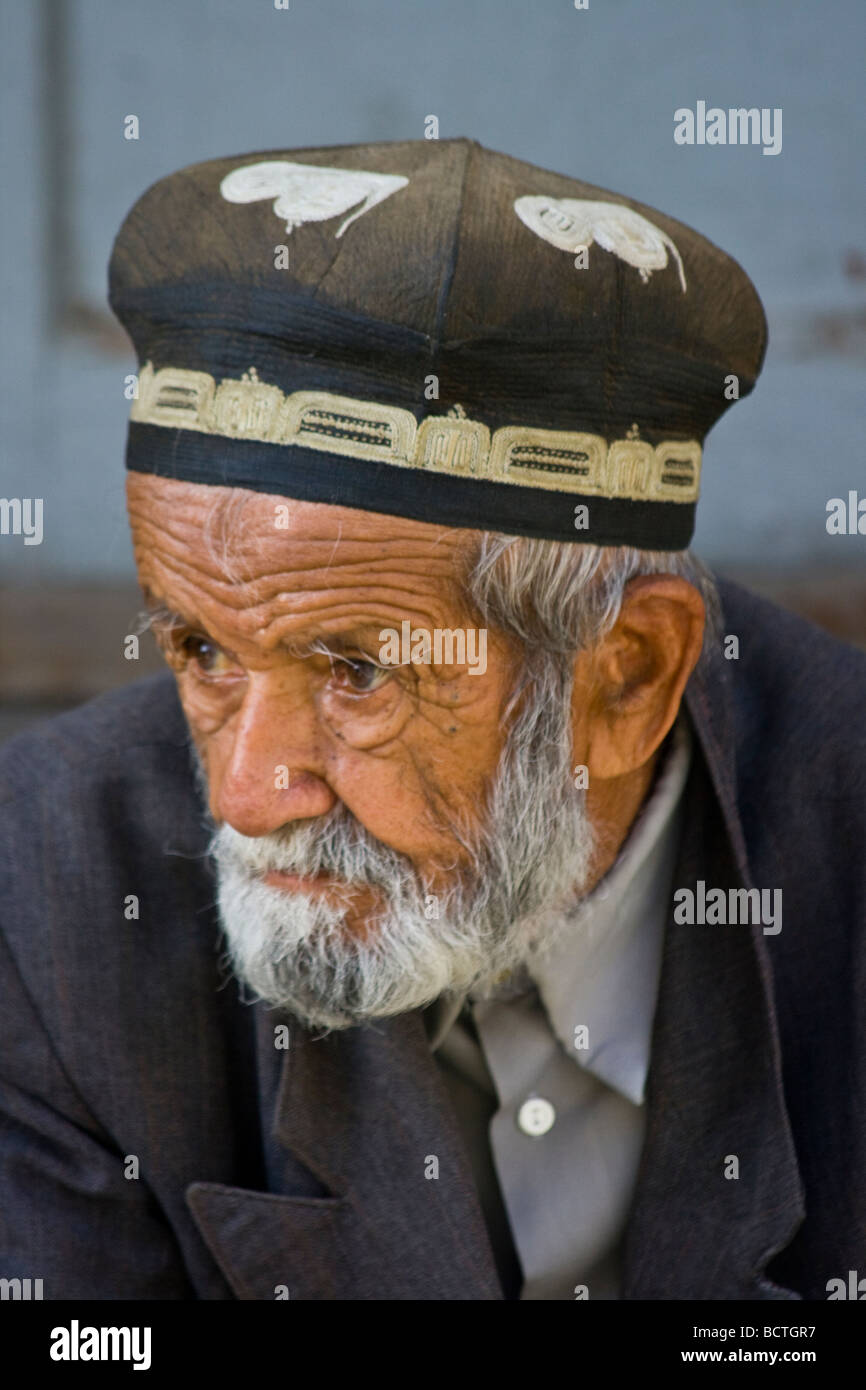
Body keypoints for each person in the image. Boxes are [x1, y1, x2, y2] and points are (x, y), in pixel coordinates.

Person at [1, 139, 863, 1301]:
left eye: (357, 672)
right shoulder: (43, 884)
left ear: (622, 678)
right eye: (201, 651)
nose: (248, 795)